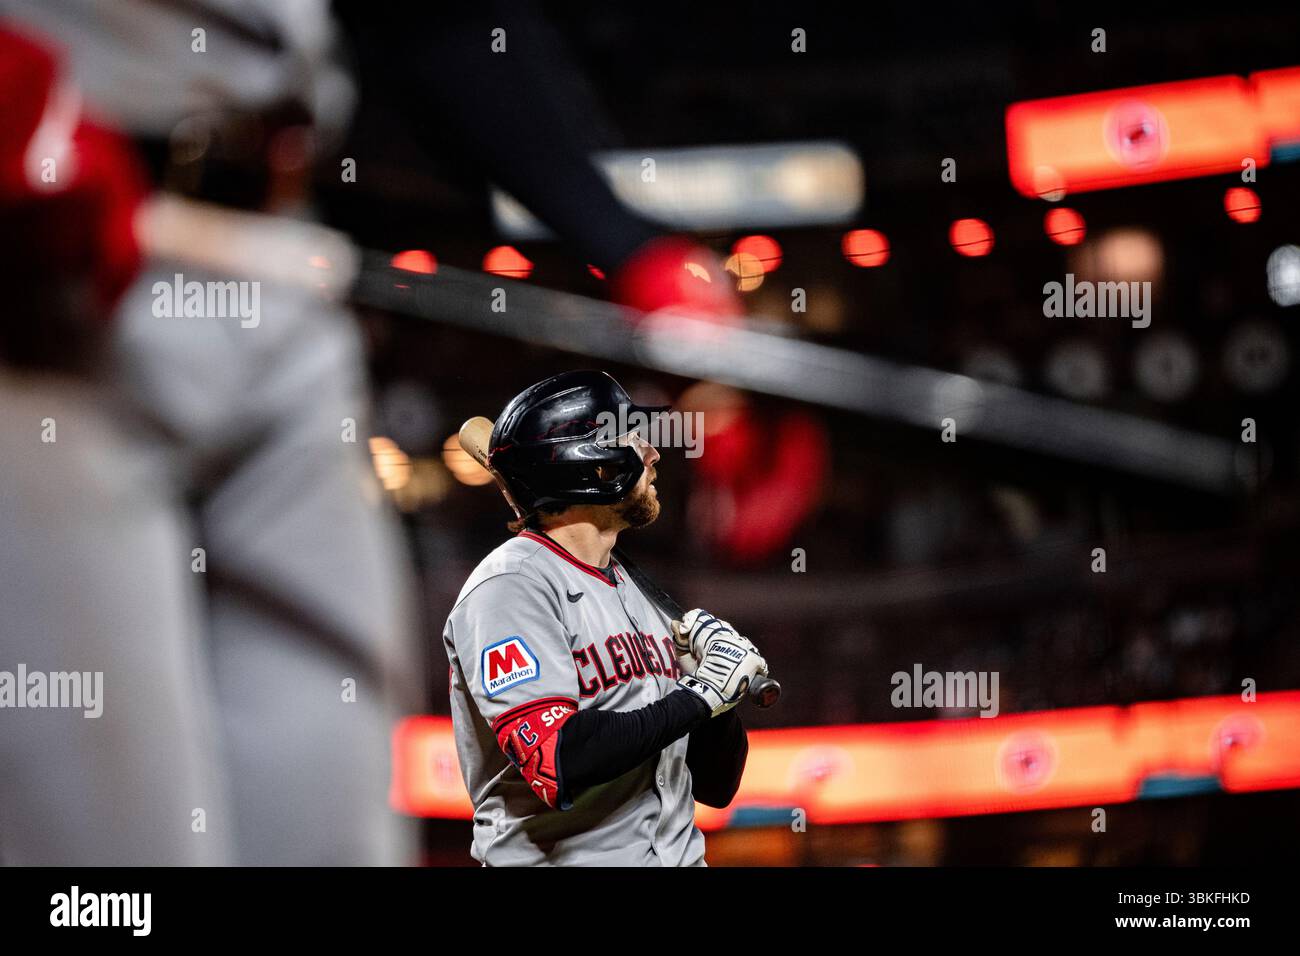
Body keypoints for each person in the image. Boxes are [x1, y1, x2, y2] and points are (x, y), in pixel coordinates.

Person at [442, 370, 767, 866]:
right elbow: (560, 760)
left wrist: (721, 696)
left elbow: (717, 786)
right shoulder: (509, 588)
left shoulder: (639, 593)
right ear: (593, 468)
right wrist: (699, 697)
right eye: (633, 439)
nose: (654, 454)